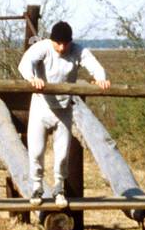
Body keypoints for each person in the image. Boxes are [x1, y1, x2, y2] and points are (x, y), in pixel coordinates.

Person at [17, 20, 111, 203]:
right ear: (52, 40)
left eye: (65, 43)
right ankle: (37, 187)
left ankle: (59, 188)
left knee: (61, 155)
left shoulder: (77, 50)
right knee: (36, 152)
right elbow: (25, 63)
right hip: (41, 106)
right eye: (58, 43)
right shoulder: (42, 47)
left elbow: (94, 65)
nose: (61, 47)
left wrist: (101, 79)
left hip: (63, 109)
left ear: (70, 41)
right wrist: (31, 79)